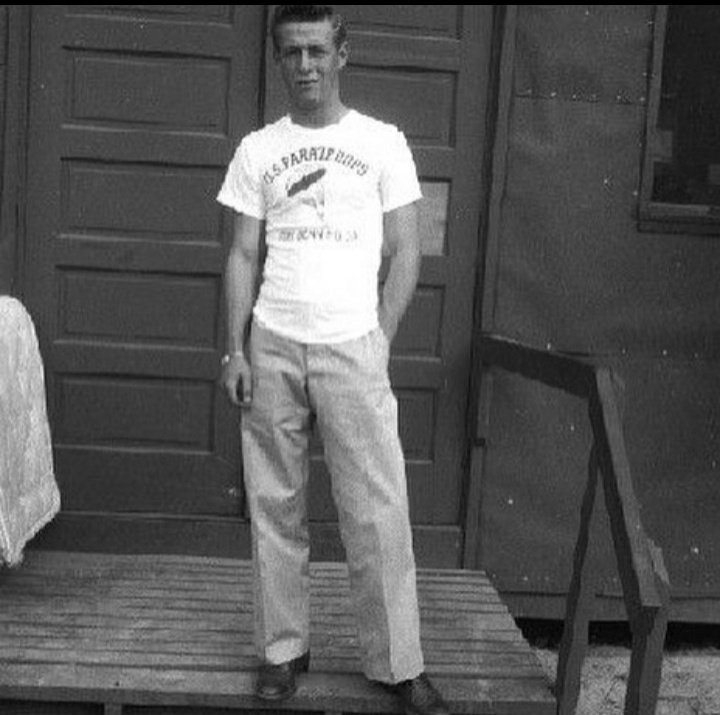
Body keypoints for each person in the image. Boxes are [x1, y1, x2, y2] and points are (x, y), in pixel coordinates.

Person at [217, 6, 449, 715]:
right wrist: (234, 349)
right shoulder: (259, 149)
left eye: (317, 50)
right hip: (273, 342)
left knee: (378, 509)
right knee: (274, 504)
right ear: (278, 60)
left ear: (342, 54)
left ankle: (397, 662)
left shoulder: (382, 142)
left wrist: (380, 335)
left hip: (352, 345)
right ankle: (281, 650)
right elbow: (242, 254)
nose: (306, 66)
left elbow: (406, 251)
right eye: (292, 52)